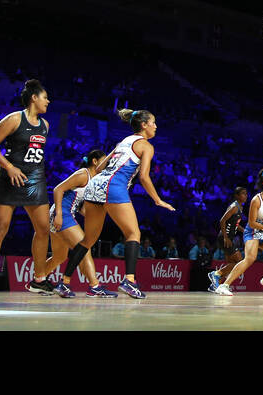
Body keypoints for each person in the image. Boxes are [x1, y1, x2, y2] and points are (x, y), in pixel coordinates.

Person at [57, 107, 175, 299]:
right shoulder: (146, 145)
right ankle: (129, 281)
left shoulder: (124, 141)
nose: (155, 126)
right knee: (133, 233)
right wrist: (157, 199)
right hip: (114, 187)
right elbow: (144, 177)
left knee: (88, 240)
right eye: (152, 122)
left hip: (95, 186)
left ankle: (64, 283)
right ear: (144, 125)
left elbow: (101, 166)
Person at [0, 79, 55, 298]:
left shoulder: (45, 125)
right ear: (34, 98)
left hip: (35, 179)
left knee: (44, 229)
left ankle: (39, 279)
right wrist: (9, 167)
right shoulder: (13, 119)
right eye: (45, 97)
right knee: (0, 229)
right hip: (10, 178)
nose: (48, 101)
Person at [34, 148, 114, 298]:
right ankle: (94, 286)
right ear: (95, 161)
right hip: (61, 214)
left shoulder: (95, 180)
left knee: (59, 257)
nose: (107, 164)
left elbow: (82, 209)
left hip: (64, 215)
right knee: (85, 247)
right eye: (104, 160)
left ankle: (37, 281)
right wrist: (58, 214)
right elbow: (58, 189)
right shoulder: (84, 174)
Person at [218, 186, 249, 264]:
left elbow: (235, 224)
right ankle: (217, 274)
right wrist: (225, 237)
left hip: (230, 237)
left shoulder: (240, 207)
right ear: (237, 196)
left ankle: (220, 275)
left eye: (246, 194)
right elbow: (222, 221)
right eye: (243, 193)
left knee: (232, 264)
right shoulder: (234, 207)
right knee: (239, 262)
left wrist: (244, 231)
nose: (246, 195)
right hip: (225, 237)